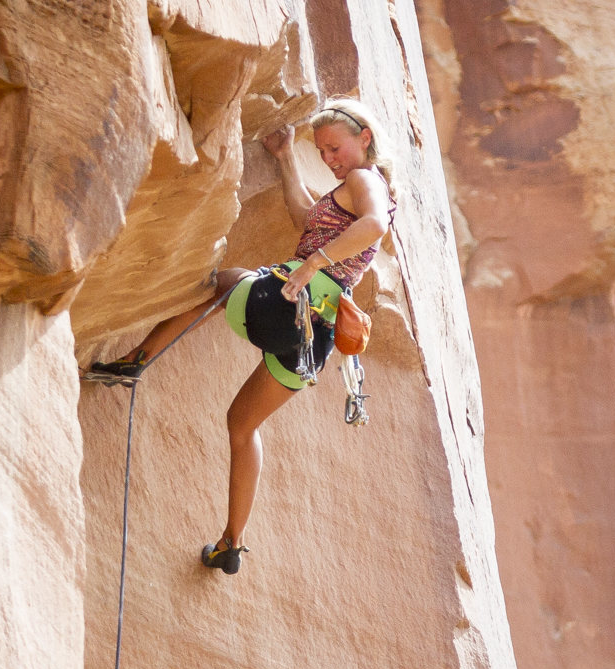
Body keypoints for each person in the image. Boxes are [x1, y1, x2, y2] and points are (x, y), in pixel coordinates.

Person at [88, 98, 396, 575]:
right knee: (242, 425)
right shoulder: (347, 192)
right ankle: (231, 544)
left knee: (220, 282)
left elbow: (375, 225)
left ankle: (135, 359)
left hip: (291, 299)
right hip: (315, 339)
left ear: (365, 139)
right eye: (324, 152)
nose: (332, 159)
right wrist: (286, 156)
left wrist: (312, 264)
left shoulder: (365, 180)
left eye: (335, 148)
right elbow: (306, 220)